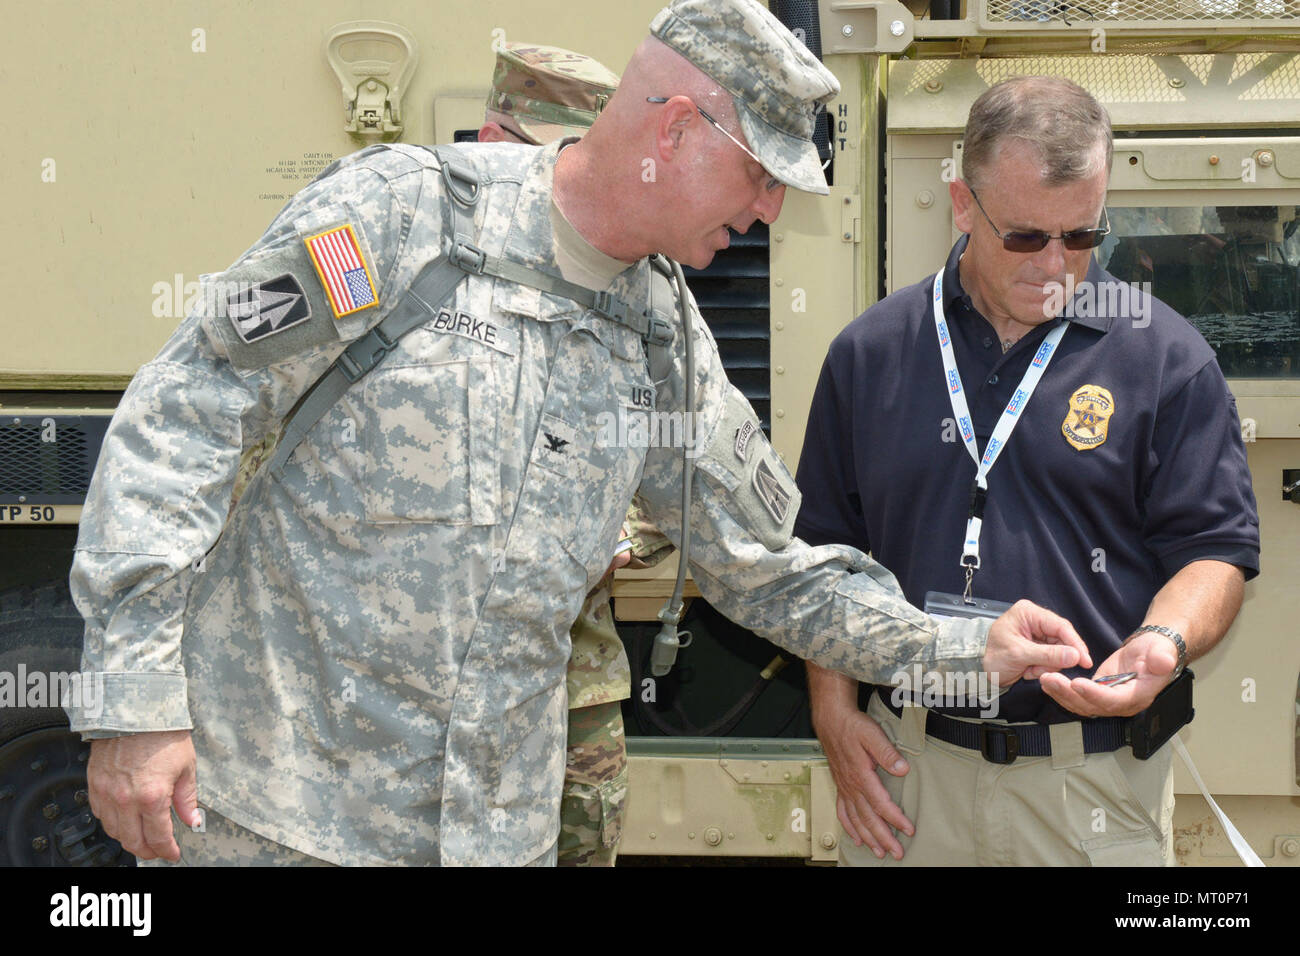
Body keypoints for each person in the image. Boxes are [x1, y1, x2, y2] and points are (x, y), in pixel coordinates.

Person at [67, 0, 1088, 867]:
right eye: (761, 174)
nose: (771, 210)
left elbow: (764, 566)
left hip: (493, 837)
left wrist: (962, 645)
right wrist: (135, 700)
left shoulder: (660, 339)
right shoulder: (397, 220)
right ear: (677, 128)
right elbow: (182, 417)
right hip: (284, 820)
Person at [796, 76, 1259, 866]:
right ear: (962, 203)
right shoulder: (871, 353)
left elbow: (1216, 549)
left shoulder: (1165, 359)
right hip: (910, 780)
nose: (1056, 266)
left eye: (1082, 238)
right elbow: (823, 560)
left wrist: (1163, 638)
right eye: (1026, 238)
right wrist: (834, 717)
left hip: (1090, 789)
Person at [476, 40, 648, 867]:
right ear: (486, 139)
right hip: (424, 687)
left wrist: (619, 530)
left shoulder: (628, 298)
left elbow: (670, 473)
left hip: (576, 681)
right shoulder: (414, 267)